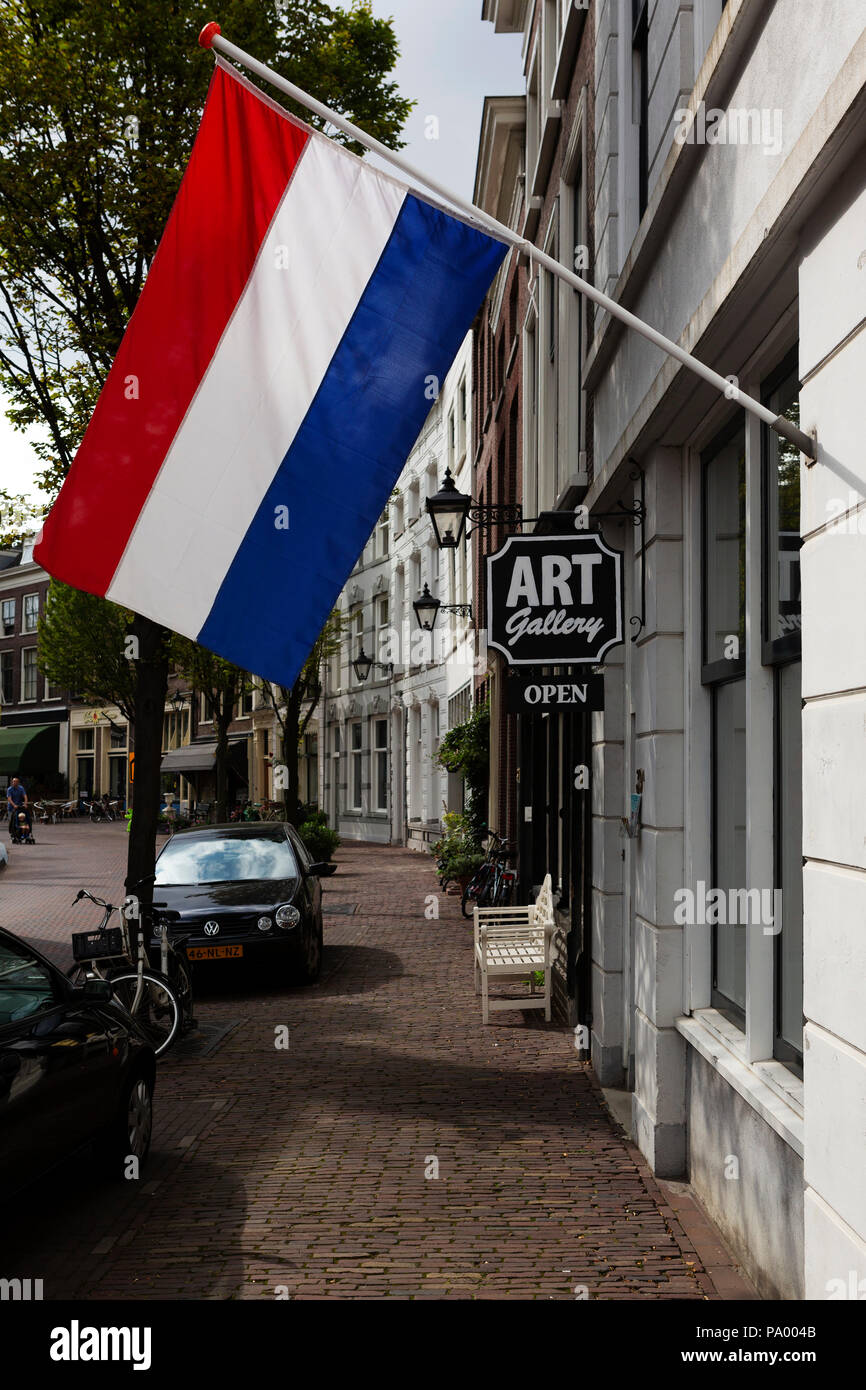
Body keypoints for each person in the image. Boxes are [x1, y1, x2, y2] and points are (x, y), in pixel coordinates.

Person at [6, 776, 32, 842]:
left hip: (20, 807)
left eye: (16, 781)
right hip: (12, 807)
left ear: (18, 782)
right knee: (12, 821)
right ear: (12, 782)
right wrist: (14, 805)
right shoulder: (10, 789)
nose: (15, 783)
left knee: (22, 819)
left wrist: (25, 803)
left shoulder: (21, 788)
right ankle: (12, 834)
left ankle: (23, 834)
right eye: (14, 781)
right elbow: (9, 798)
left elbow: (25, 796)